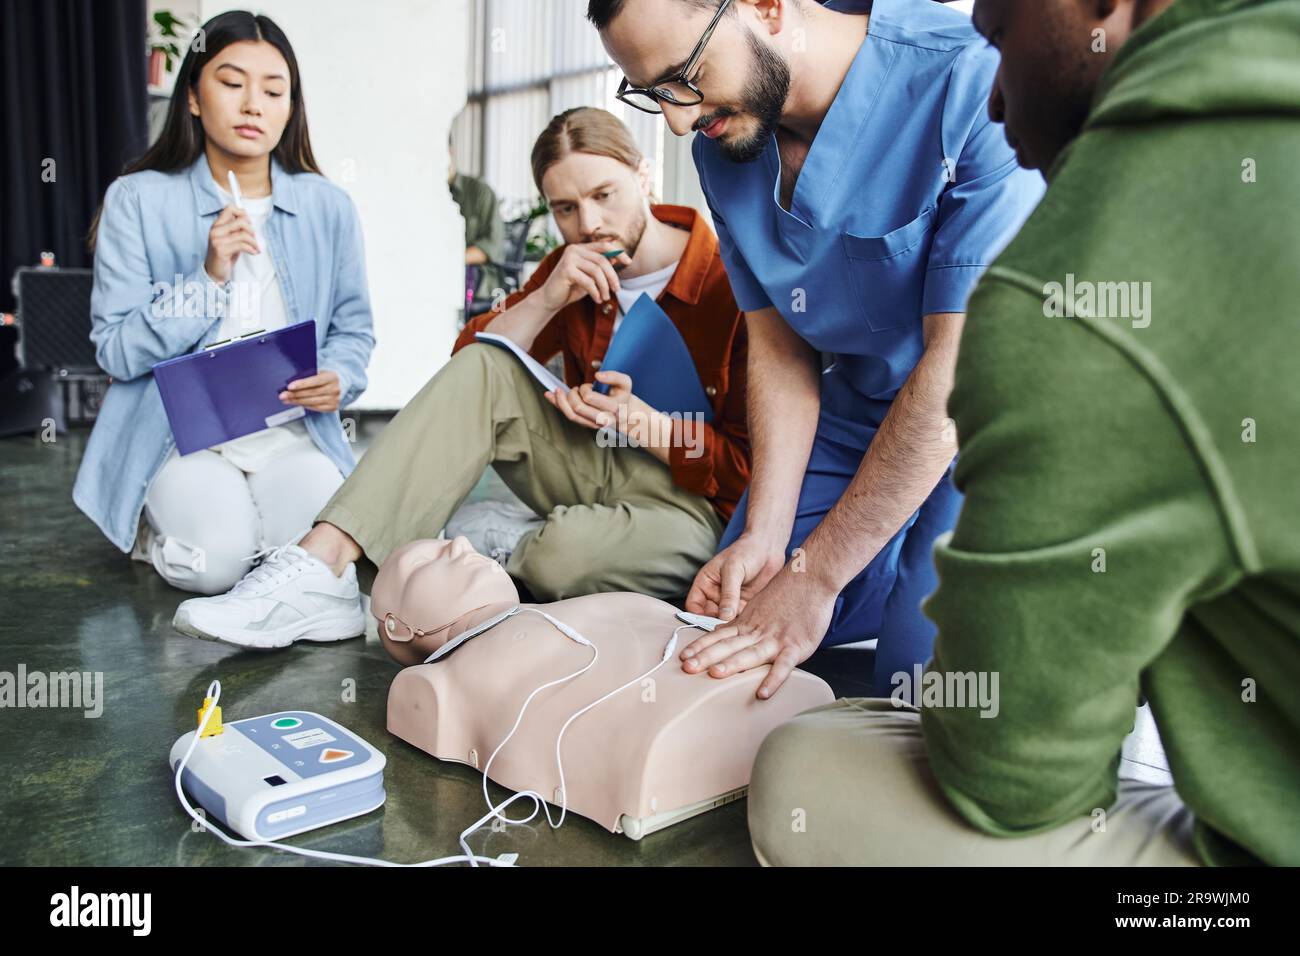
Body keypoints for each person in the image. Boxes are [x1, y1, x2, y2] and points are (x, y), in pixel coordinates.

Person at [747, 0, 1300, 866]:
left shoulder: (1076, 284)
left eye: (999, 38)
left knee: (807, 766)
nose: (999, 100)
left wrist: (818, 574)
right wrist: (781, 546)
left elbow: (1014, 777)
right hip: (870, 429)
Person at [590, 0, 1043, 697]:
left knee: (931, 692)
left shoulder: (972, 84)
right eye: (654, 95)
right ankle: (891, 560)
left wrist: (820, 573)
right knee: (732, 620)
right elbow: (778, 346)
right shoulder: (727, 144)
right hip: (860, 409)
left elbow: (959, 370)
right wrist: (768, 538)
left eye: (685, 76)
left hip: (1003, 419)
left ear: (768, 6)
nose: (680, 120)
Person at [171, 107, 751, 651]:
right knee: (485, 363)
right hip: (591, 465)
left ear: (642, 174)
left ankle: (490, 538)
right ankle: (322, 567)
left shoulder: (731, 283)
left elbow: (751, 472)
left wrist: (648, 425)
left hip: (692, 505)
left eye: (604, 195)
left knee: (560, 560)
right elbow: (469, 369)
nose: (589, 223)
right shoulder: (569, 266)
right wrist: (548, 298)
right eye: (565, 208)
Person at [74, 11, 374, 597]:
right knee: (217, 565)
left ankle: (243, 531)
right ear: (192, 96)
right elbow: (116, 351)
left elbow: (353, 329)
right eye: (231, 83)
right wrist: (207, 277)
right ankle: (157, 533)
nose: (252, 105)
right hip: (177, 437)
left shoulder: (327, 207)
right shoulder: (137, 200)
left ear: (291, 107)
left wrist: (340, 375)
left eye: (273, 90)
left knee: (311, 563)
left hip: (289, 431)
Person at [448, 134, 507, 305]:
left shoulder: (480, 192)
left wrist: (449, 259)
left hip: (481, 279)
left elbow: (491, 247)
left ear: (449, 152)